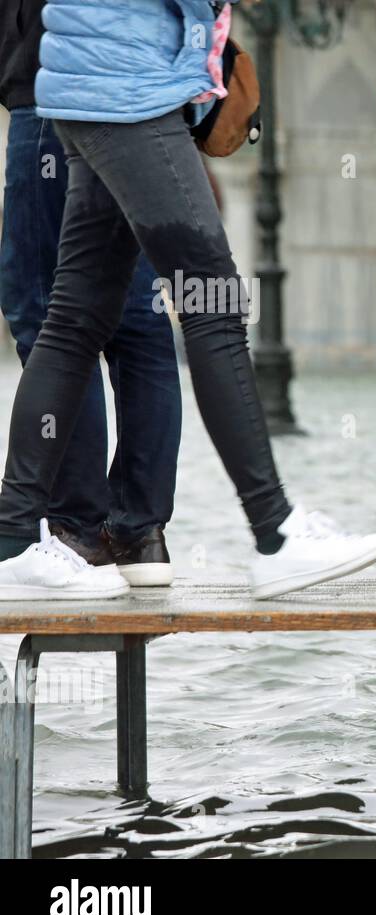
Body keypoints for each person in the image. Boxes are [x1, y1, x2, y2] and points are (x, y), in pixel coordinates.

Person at [0, 0, 376, 601]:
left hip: (91, 77)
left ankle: (14, 545)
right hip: (127, 82)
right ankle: (276, 533)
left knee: (75, 320)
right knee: (212, 303)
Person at [0, 0, 183, 588]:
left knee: (47, 314)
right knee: (136, 322)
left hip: (53, 98)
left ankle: (77, 527)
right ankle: (139, 531)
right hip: (141, 107)